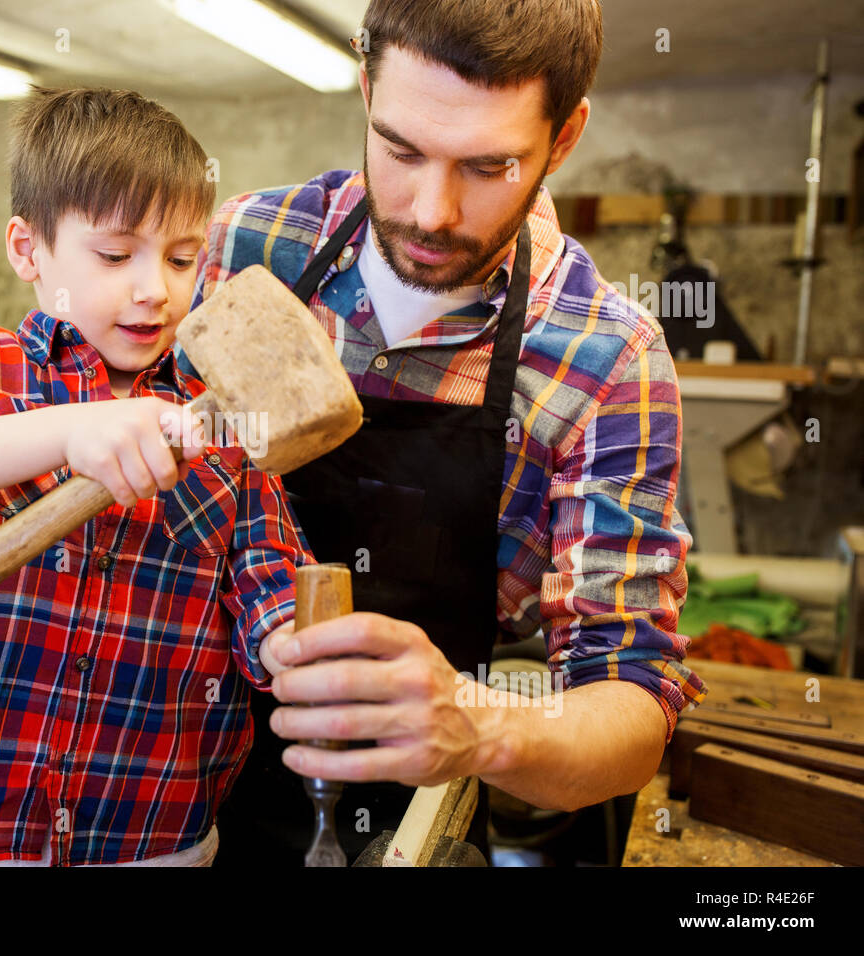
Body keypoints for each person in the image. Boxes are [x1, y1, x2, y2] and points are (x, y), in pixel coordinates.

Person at [185, 0, 709, 865]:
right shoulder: (239, 247)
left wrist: (481, 728)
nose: (431, 211)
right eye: (400, 150)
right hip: (176, 791)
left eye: (489, 164)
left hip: (407, 821)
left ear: (565, 136)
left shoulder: (609, 360)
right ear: (365, 85)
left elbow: (632, 713)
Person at [0, 87, 311, 866]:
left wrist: (297, 650)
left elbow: (269, 581)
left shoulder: (223, 419)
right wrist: (71, 431)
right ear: (29, 251)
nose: (153, 289)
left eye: (180, 257)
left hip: (156, 827)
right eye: (114, 254)